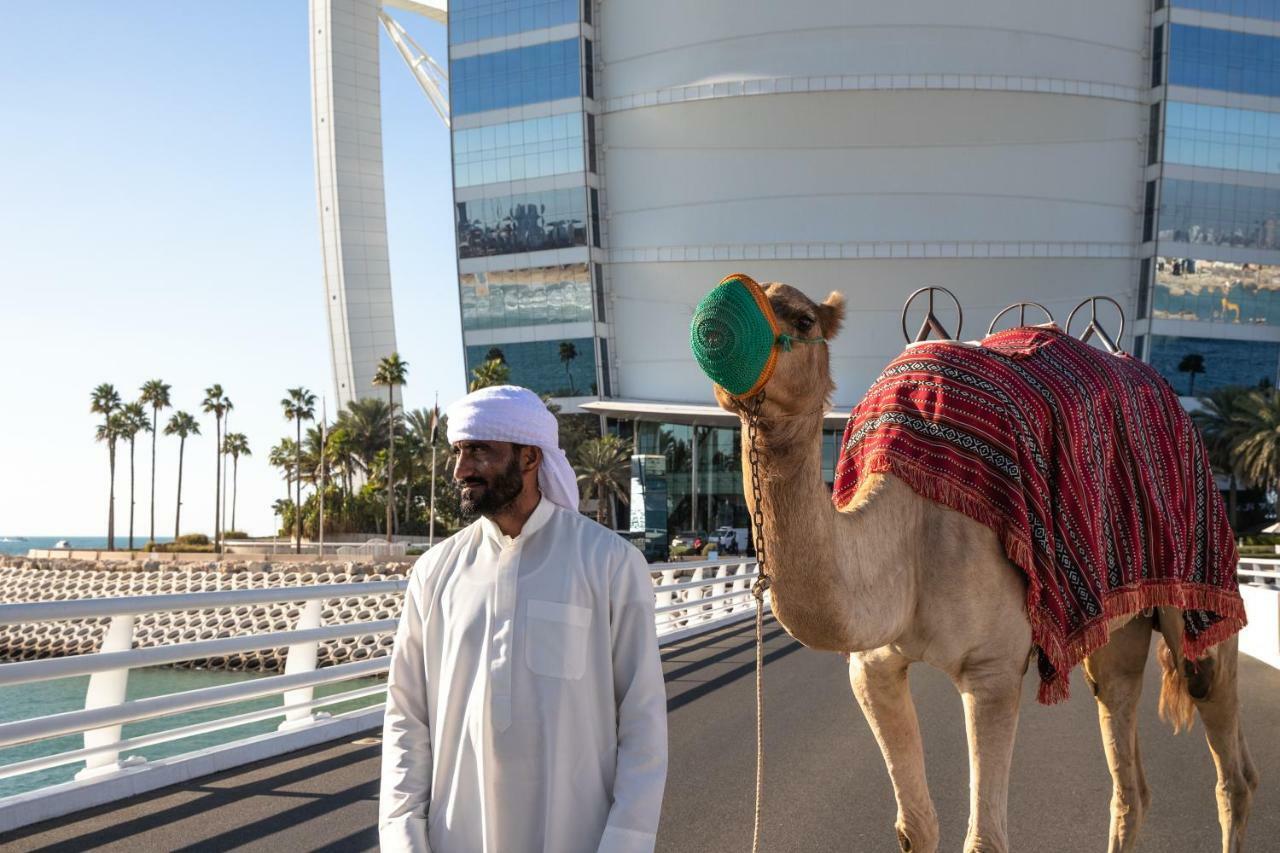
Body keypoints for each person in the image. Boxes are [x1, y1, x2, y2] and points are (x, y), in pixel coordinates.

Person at [379, 385, 668, 853]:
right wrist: (402, 835)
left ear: (530, 458)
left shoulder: (609, 563)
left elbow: (642, 719)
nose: (461, 469)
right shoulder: (434, 572)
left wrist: (627, 842)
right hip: (457, 836)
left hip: (577, 834)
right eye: (458, 451)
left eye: (479, 450)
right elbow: (407, 717)